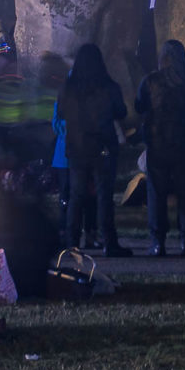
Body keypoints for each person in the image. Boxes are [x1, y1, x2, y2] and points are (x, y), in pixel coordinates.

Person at [134, 40, 185, 257]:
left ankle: (157, 242)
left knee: (156, 193)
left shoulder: (151, 80)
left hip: (158, 144)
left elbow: (139, 106)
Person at [56, 43, 130, 257]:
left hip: (77, 147)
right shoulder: (108, 86)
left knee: (76, 195)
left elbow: (60, 113)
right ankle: (109, 241)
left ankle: (72, 242)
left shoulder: (68, 87)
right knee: (104, 196)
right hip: (103, 146)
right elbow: (121, 112)